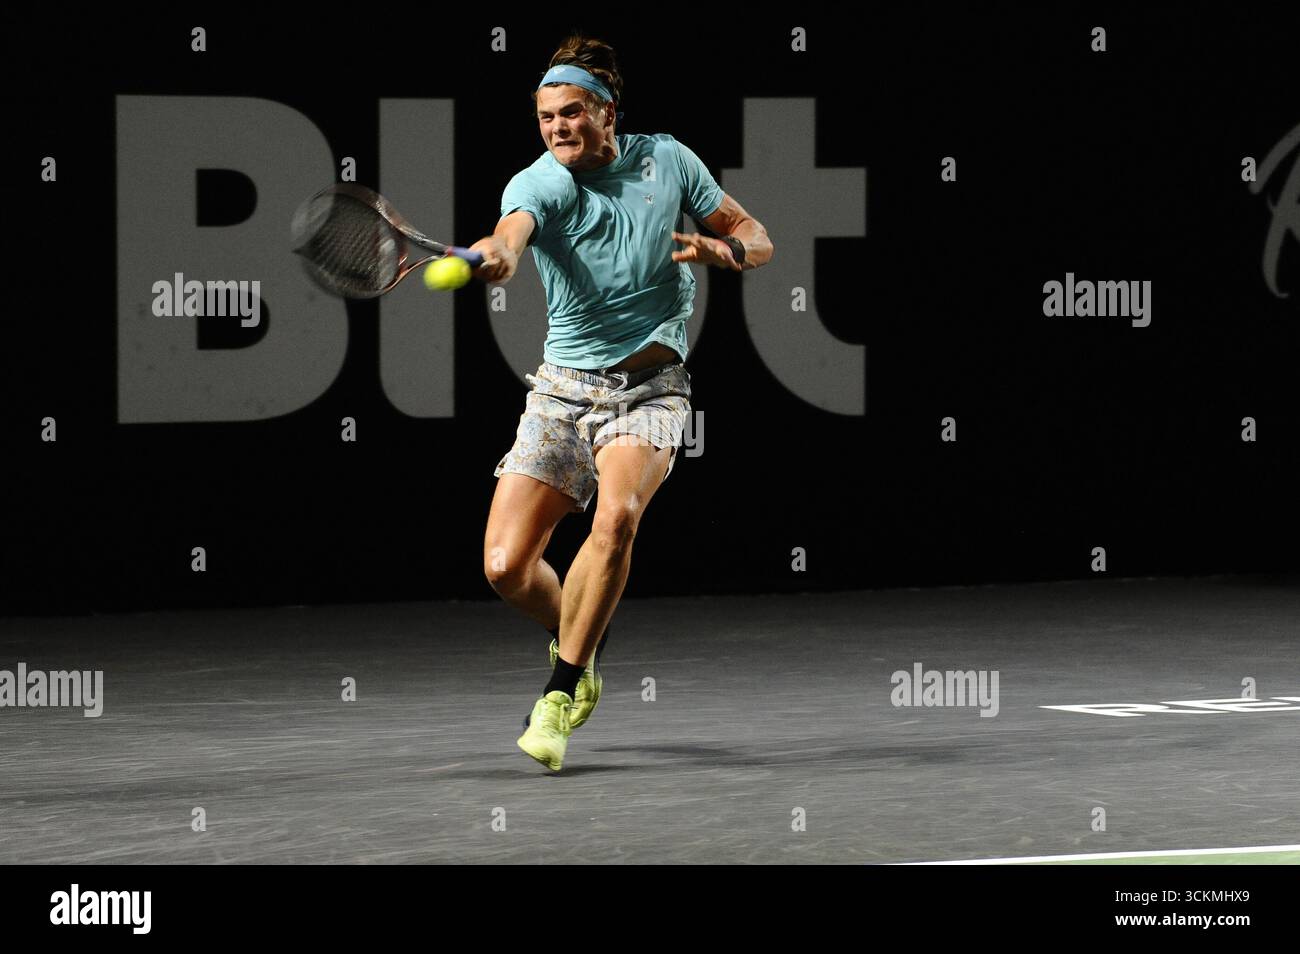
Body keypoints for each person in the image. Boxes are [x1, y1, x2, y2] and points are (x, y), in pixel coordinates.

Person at [471, 33, 773, 771]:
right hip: (562, 391)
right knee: (506, 567)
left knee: (620, 515)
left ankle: (560, 692)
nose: (558, 129)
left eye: (573, 113)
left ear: (609, 112)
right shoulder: (540, 183)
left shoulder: (668, 159)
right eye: (546, 118)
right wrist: (498, 256)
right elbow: (512, 236)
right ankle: (585, 637)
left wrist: (720, 249)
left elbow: (756, 237)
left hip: (651, 389)